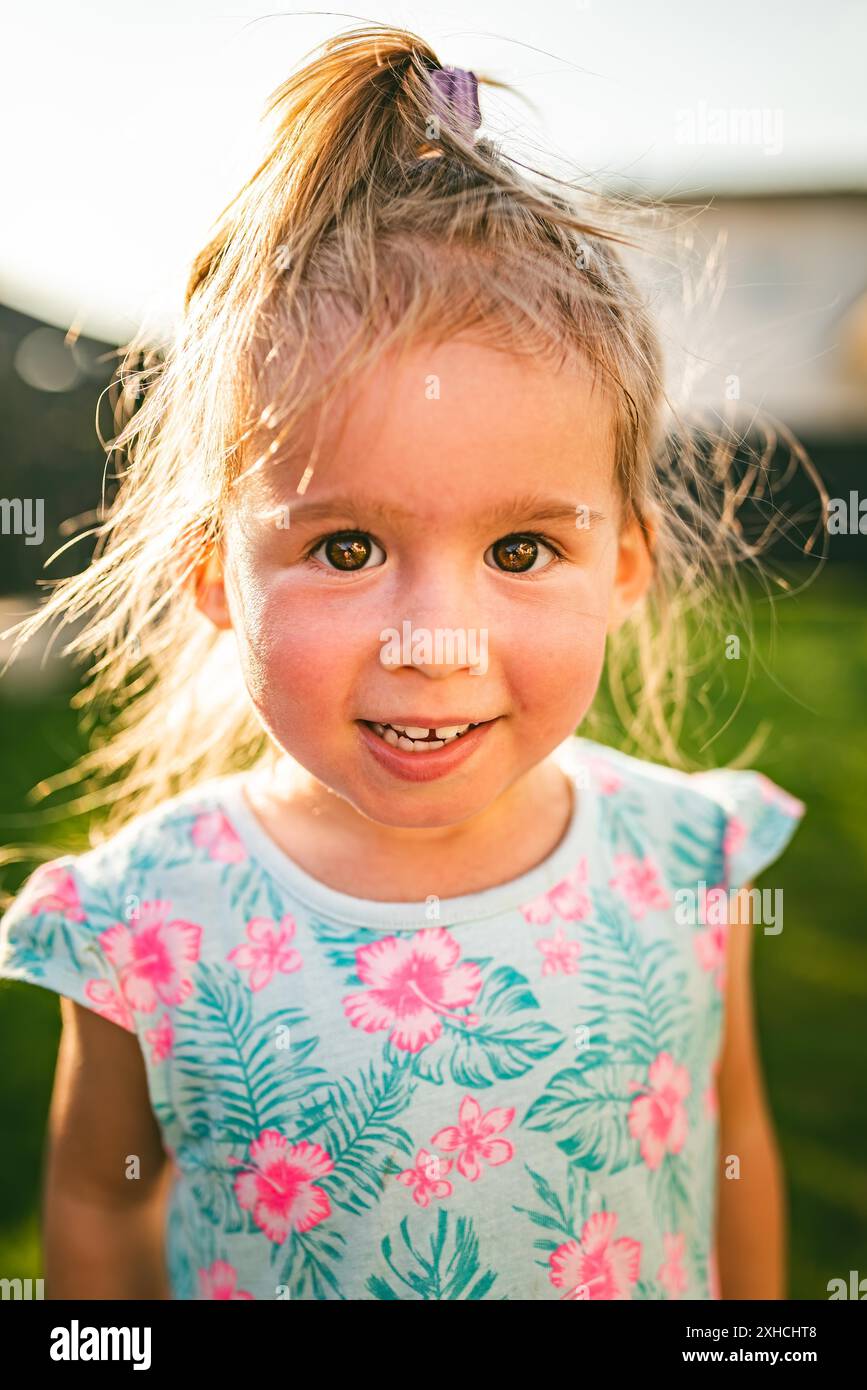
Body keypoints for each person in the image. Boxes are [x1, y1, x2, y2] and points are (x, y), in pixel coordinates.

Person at [0, 24, 807, 1300]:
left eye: (526, 549)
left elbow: (735, 1149)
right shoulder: (146, 920)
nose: (436, 642)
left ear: (628, 563)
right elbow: (99, 1224)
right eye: (350, 543)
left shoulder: (687, 866)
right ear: (217, 572)